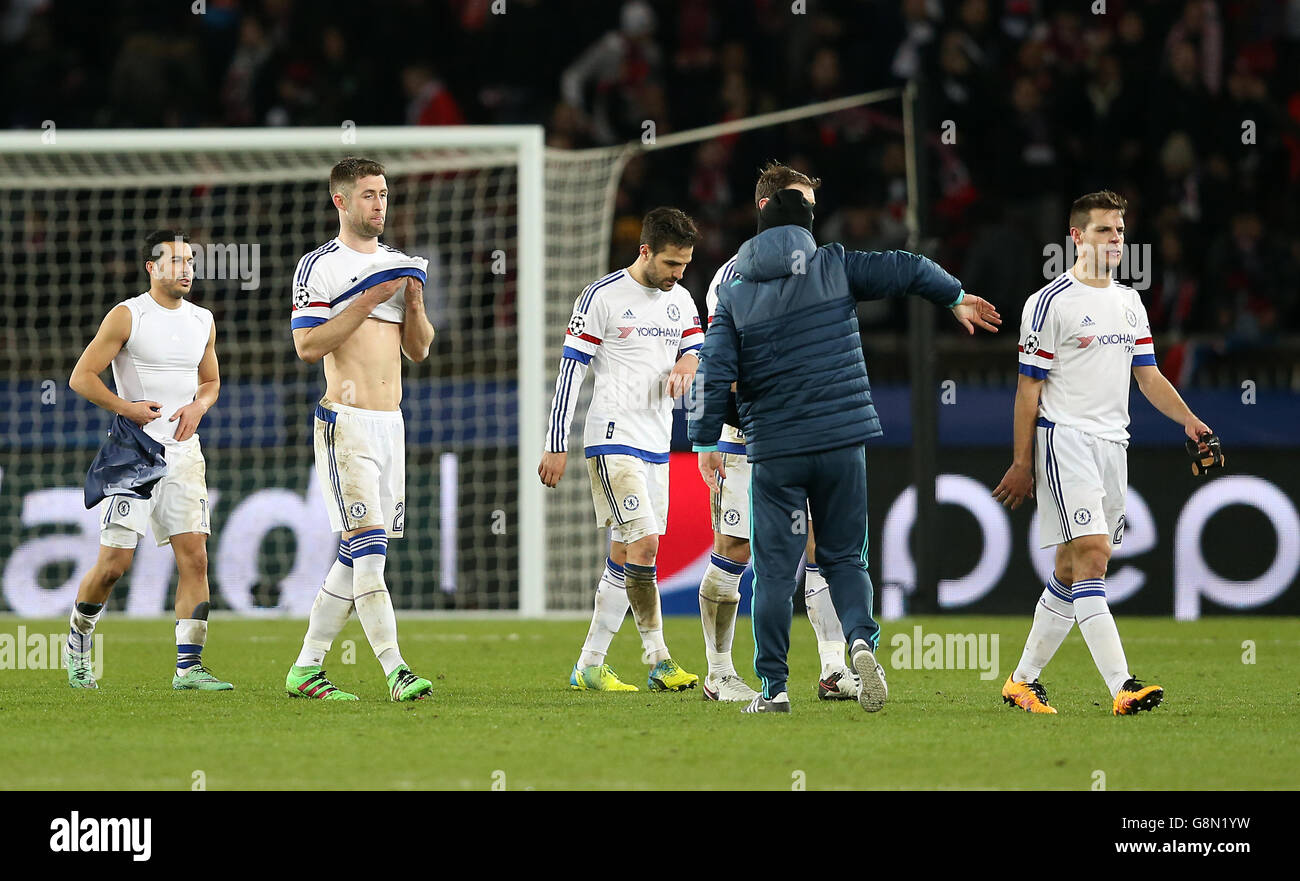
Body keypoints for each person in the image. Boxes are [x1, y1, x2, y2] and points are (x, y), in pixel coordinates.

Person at [688, 189, 1001, 714]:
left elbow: (714, 373)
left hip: (776, 449)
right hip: (841, 440)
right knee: (843, 558)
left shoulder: (735, 291)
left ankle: (774, 689)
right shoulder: (834, 265)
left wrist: (702, 437)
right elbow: (905, 266)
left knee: (773, 571)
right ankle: (858, 642)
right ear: (808, 224)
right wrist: (953, 296)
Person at [993, 189, 1211, 715]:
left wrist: (1190, 421)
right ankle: (1123, 686)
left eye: (1118, 230)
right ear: (1075, 237)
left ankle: (1022, 681)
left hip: (1115, 444)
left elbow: (1149, 375)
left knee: (1071, 569)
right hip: (1063, 438)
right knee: (1094, 556)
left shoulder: (1129, 301)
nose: (1115, 240)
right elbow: (1028, 390)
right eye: (1103, 230)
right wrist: (1023, 462)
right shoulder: (1049, 303)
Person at [697, 162, 859, 704]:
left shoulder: (822, 264)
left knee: (819, 545)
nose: (809, 216)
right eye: (800, 203)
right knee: (736, 549)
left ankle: (835, 668)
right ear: (768, 205)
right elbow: (721, 361)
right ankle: (719, 671)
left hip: (804, 434)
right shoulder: (733, 276)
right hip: (749, 437)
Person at [286, 157, 437, 702]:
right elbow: (307, 347)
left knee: (356, 559)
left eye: (385, 194)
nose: (380, 204)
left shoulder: (401, 264)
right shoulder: (319, 267)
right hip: (343, 424)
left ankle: (306, 668)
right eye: (370, 195)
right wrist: (372, 295)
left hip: (389, 426)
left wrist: (414, 303)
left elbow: (418, 350)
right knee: (369, 550)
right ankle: (396, 671)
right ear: (341, 201)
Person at [540, 207, 702, 694]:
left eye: (685, 266)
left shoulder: (682, 300)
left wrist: (689, 364)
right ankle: (659, 658)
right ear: (645, 250)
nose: (678, 275)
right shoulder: (602, 297)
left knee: (625, 554)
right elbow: (571, 372)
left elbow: (696, 345)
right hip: (612, 436)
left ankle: (589, 664)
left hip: (656, 443)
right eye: (672, 264)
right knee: (647, 543)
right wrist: (555, 444)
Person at [67, 231, 230, 691]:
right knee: (114, 565)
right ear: (151, 268)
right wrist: (128, 408)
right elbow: (82, 377)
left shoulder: (203, 320)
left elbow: (211, 381)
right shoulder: (128, 315)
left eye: (191, 262)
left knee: (194, 558)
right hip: (134, 454)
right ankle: (79, 642)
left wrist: (200, 406)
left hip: (183, 455)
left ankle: (189, 668)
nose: (186, 270)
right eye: (175, 261)